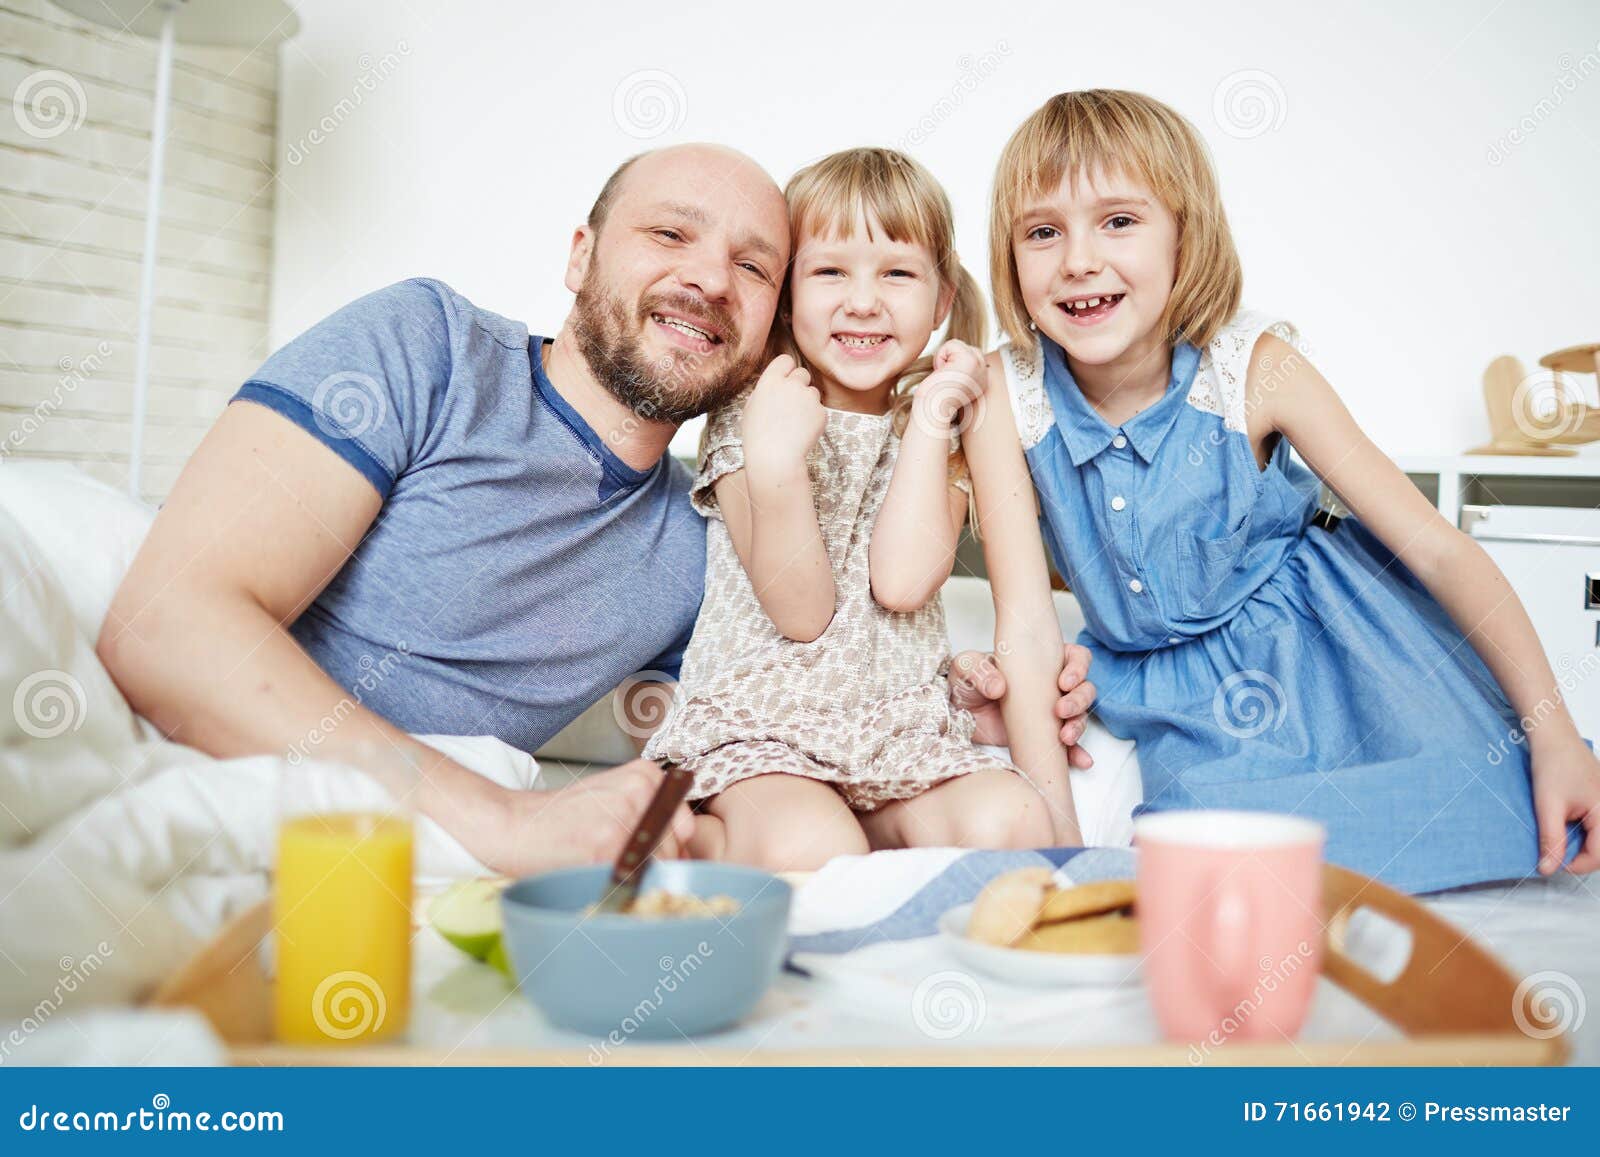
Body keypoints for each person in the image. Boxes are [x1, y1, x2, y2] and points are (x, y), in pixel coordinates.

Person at [97, 143, 1097, 877]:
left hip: (398, 871)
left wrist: (950, 680)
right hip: (217, 785)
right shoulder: (425, 347)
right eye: (669, 233)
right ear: (579, 254)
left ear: (773, 319)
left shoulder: (689, 540)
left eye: (755, 265)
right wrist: (497, 819)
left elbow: (736, 708)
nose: (709, 277)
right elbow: (164, 628)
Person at [979, 90, 1599, 892]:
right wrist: (1056, 836)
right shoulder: (1007, 393)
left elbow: (1439, 551)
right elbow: (1026, 623)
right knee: (1194, 861)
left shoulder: (1254, 366)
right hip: (1168, 683)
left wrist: (1557, 736)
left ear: (1184, 237)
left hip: (1330, 642)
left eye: (1120, 221)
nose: (1078, 260)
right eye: (1042, 232)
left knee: (1504, 809)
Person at [643, 148, 1080, 870]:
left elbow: (902, 581)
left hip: (895, 741)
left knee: (1015, 819)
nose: (864, 301)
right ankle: (697, 831)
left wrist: (933, 423)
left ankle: (870, 840)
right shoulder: (756, 410)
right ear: (787, 295)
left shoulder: (939, 430)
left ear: (941, 302)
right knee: (812, 843)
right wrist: (779, 466)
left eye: (898, 274)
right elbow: (801, 609)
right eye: (830, 272)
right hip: (763, 737)